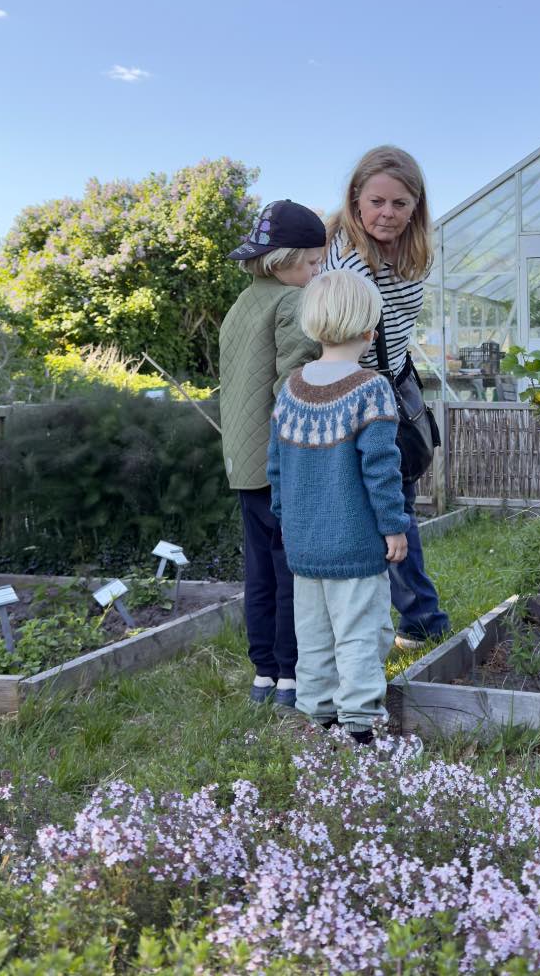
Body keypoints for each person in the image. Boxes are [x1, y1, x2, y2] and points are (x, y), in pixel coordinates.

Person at [267, 270, 409, 744]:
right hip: (354, 542)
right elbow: (382, 469)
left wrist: (286, 522)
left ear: (313, 324)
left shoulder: (290, 388)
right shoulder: (370, 389)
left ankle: (318, 714)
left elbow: (276, 469)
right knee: (360, 635)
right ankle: (361, 726)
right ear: (370, 330)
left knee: (313, 635)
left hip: (303, 544)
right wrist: (394, 526)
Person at [323, 146, 450, 648]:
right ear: (356, 199)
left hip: (396, 376)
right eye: (376, 202)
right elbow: (340, 330)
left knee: (396, 501)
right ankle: (414, 621)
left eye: (401, 204)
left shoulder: (413, 249)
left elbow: (398, 327)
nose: (388, 214)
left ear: (416, 206)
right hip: (357, 387)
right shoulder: (346, 255)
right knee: (384, 505)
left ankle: (415, 619)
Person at [220, 199, 326, 708]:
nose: (315, 273)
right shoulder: (290, 303)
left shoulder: (242, 305)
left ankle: (261, 672)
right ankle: (291, 674)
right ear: (281, 261)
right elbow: (294, 379)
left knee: (259, 571)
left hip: (241, 460)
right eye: (310, 263)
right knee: (291, 571)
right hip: (279, 458)